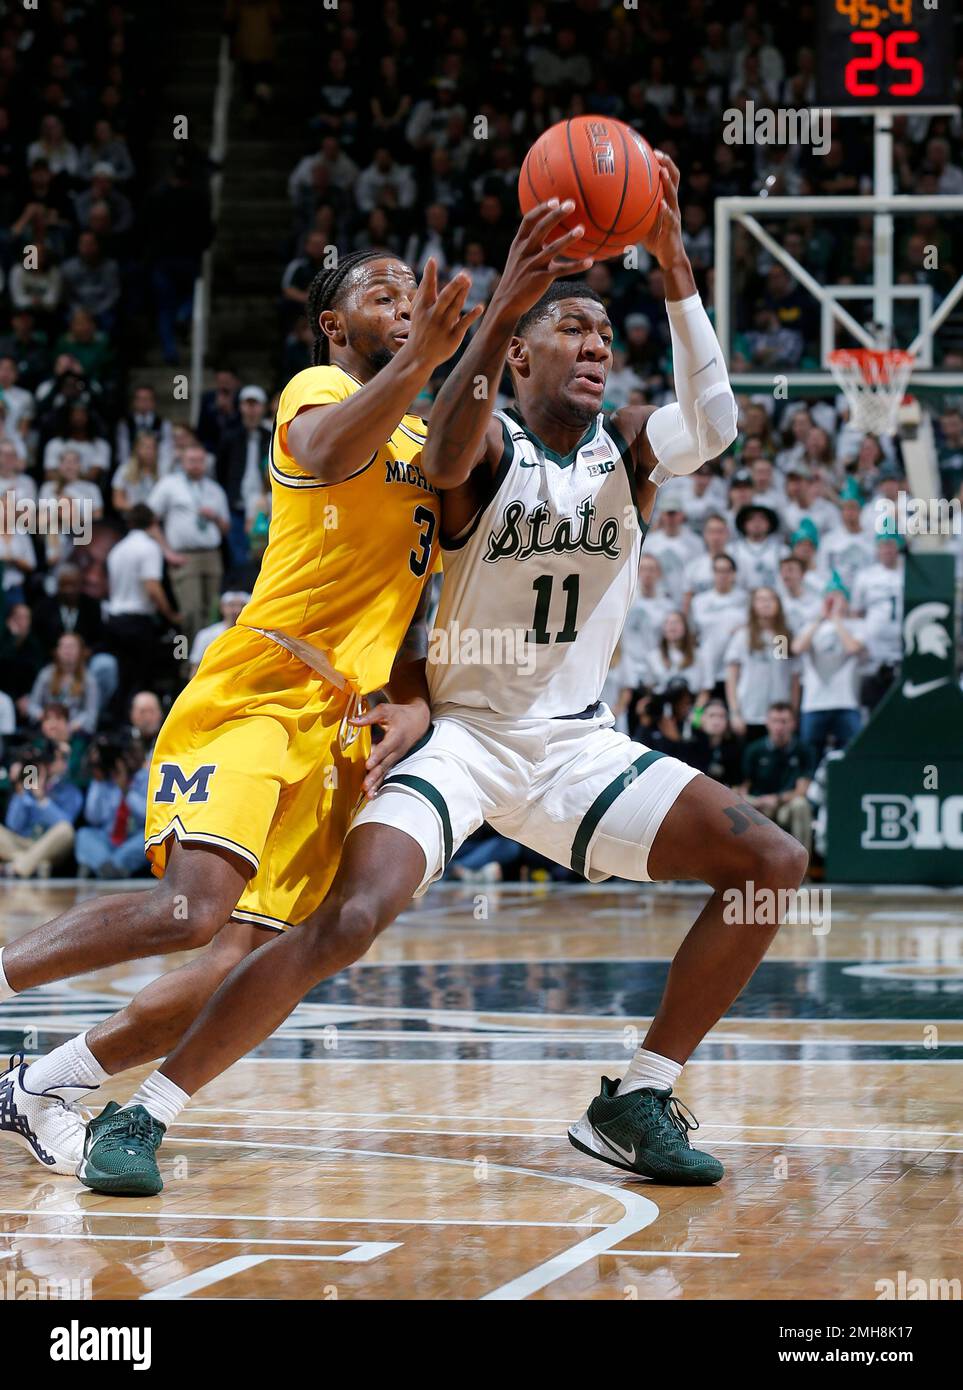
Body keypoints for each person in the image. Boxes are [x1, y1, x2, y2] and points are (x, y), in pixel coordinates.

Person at [63, 165, 804, 1198]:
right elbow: (451, 440)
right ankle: (142, 1112)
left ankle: (637, 1095)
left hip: (578, 747)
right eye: (573, 330)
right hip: (461, 738)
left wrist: (675, 263)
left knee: (771, 860)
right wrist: (496, 310)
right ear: (518, 355)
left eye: (604, 333)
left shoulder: (631, 447)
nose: (596, 346)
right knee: (348, 920)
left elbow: (716, 422)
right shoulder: (482, 443)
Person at [0, 248, 480, 1177]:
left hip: (341, 726)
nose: (403, 307)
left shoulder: (429, 446)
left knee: (252, 959)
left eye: (411, 296)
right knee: (190, 909)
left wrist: (414, 704)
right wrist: (425, 357)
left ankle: (46, 1084)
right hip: (261, 691)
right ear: (338, 326)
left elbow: (421, 608)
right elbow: (330, 451)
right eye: (382, 296)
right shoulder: (316, 390)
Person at [792, 578, 868, 764]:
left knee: (852, 752)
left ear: (846, 601)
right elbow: (797, 648)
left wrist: (836, 620)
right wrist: (820, 619)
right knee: (810, 755)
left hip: (846, 701)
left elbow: (852, 648)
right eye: (829, 596)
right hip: (814, 703)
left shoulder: (858, 626)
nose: (833, 600)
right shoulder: (809, 626)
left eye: (838, 596)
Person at [724, 586, 798, 745]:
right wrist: (735, 712)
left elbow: (787, 675)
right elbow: (731, 677)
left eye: (770, 599)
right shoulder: (743, 635)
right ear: (753, 605)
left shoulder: (781, 637)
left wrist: (793, 710)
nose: (766, 604)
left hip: (779, 715)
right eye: (761, 599)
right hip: (749, 712)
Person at [739, 703, 815, 857]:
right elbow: (743, 788)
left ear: (794, 724)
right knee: (739, 807)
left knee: (801, 805)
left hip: (786, 805)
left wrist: (777, 799)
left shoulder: (804, 750)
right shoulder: (754, 750)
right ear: (767, 723)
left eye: (784, 721)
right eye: (775, 721)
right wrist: (758, 801)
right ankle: (747, 869)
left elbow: (802, 791)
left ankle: (800, 867)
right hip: (759, 804)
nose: (779, 726)